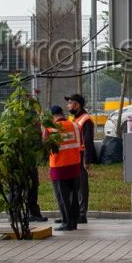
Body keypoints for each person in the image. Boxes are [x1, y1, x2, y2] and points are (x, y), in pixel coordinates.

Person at [47, 104, 84, 231]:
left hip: (59, 167)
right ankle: (74, 223)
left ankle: (66, 222)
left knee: (62, 197)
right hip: (74, 165)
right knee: (74, 196)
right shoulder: (75, 126)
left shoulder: (51, 129)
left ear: (53, 117)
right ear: (62, 114)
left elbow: (44, 144)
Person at [65, 93, 99, 224]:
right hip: (72, 157)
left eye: (70, 103)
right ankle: (72, 214)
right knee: (72, 187)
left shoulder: (85, 119)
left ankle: (81, 214)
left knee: (81, 187)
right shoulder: (74, 118)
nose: (68, 106)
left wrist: (86, 161)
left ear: (77, 105)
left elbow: (88, 142)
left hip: (80, 157)